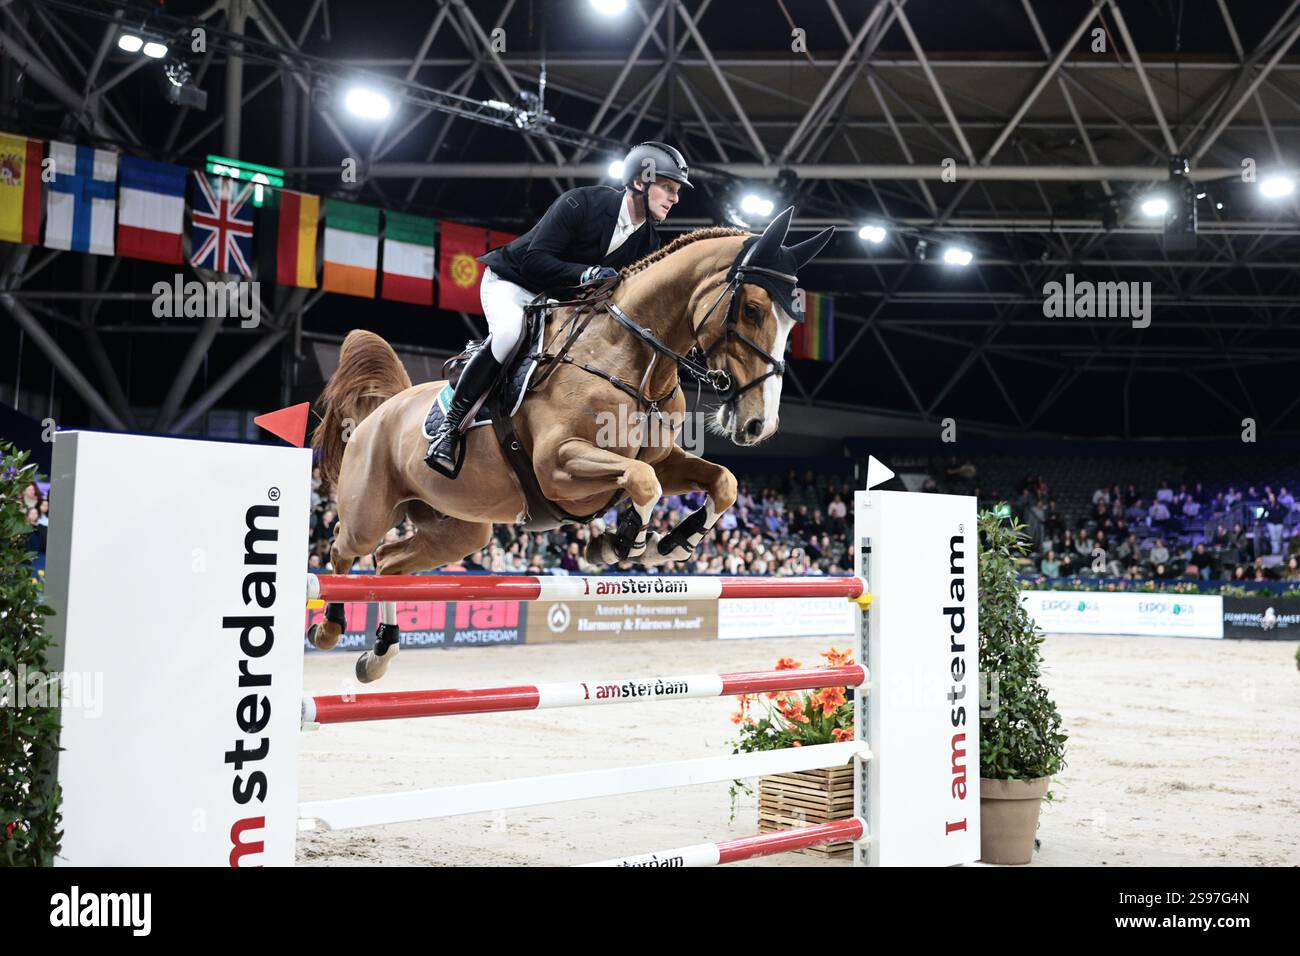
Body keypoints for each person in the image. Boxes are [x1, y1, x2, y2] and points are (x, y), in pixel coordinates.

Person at [425, 141, 691, 475]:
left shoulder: (648, 240)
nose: (675, 198)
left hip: (560, 301)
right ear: (640, 182)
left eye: (677, 190)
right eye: (667, 187)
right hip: (515, 283)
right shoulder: (581, 202)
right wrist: (587, 273)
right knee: (510, 334)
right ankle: (449, 429)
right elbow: (536, 260)